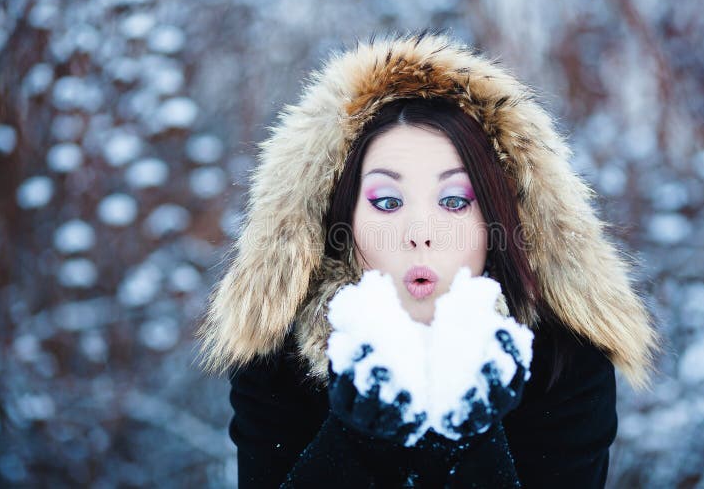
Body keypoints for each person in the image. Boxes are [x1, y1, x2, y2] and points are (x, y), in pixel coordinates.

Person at [196, 31, 661, 487]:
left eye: (455, 201)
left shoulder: (565, 361)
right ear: (339, 220)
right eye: (387, 201)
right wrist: (359, 439)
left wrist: (472, 442)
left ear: (501, 219)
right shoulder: (279, 361)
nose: (421, 234)